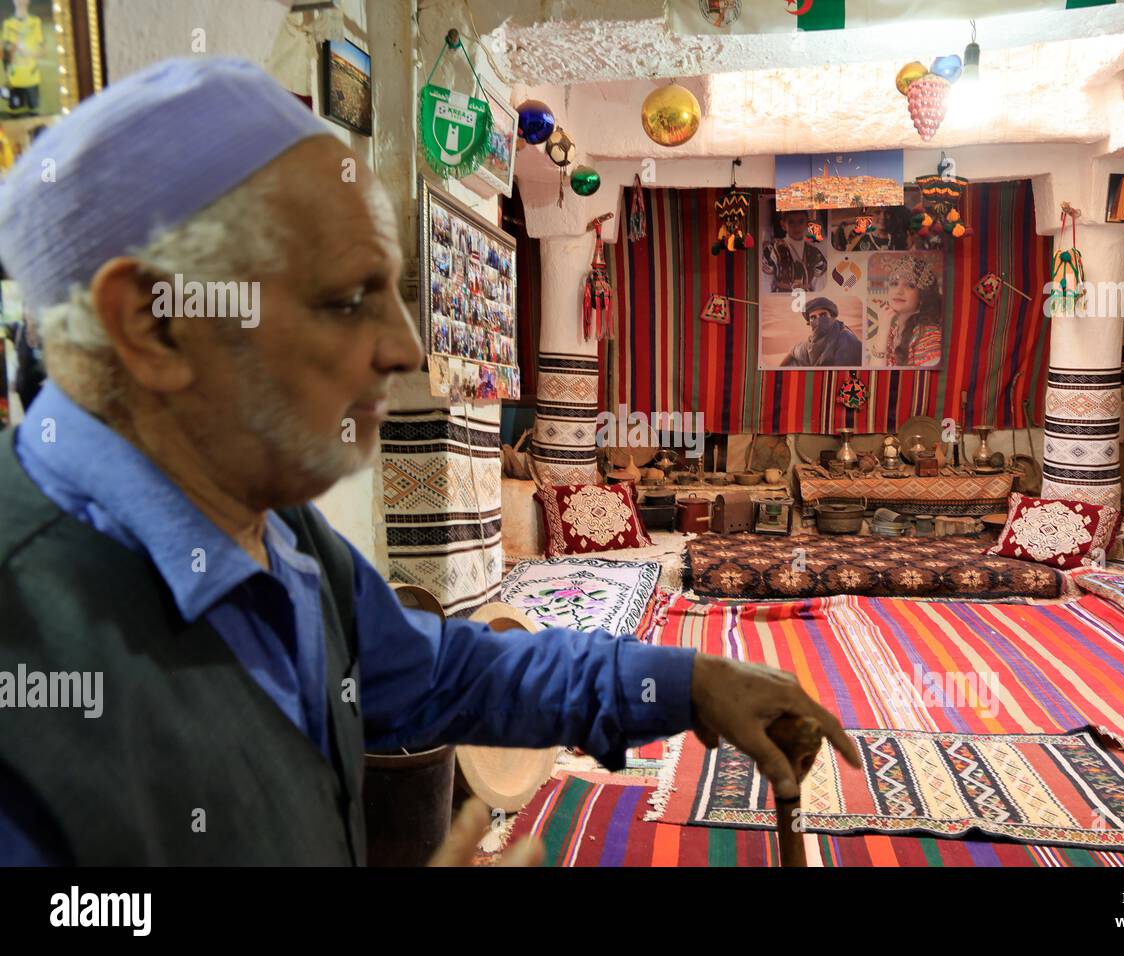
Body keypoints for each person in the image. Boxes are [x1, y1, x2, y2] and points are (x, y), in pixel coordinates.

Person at [0, 57, 860, 866]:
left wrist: (685, 680)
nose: (404, 348)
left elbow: (439, 673)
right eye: (347, 299)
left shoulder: (278, 533)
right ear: (154, 324)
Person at [881, 254, 943, 367]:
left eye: (910, 285)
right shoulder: (893, 331)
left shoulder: (929, 336)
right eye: (894, 283)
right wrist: (882, 329)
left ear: (922, 295)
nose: (899, 291)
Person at [780, 296, 862, 368]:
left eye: (823, 315)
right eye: (813, 317)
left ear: (832, 316)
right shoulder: (810, 344)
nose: (818, 320)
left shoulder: (846, 339)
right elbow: (794, 351)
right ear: (809, 323)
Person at [760, 207, 826, 293]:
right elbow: (766, 282)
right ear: (783, 225)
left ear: (807, 224)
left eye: (801, 221)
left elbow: (819, 285)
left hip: (807, 298)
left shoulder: (814, 252)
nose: (796, 226)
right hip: (779, 298)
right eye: (791, 222)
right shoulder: (772, 249)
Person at [1, 0, 43, 115]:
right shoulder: (8, 24)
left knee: (33, 114)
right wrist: (12, 50)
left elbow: (42, 51)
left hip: (32, 77)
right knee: (15, 114)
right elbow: (5, 53)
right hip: (14, 79)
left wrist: (28, 53)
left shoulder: (35, 22)